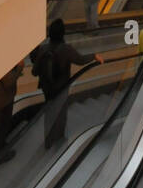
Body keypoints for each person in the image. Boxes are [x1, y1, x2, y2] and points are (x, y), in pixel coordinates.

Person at [31, 19, 102, 149]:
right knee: (60, 112)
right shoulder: (66, 49)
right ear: (62, 34)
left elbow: (34, 72)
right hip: (61, 88)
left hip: (46, 88)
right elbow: (80, 60)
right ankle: (59, 138)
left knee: (49, 112)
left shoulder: (43, 49)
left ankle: (48, 141)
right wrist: (94, 56)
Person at [0, 62, 24, 165]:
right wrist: (19, 67)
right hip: (3, 99)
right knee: (2, 124)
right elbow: (9, 81)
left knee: (0, 123)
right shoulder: (0, 61)